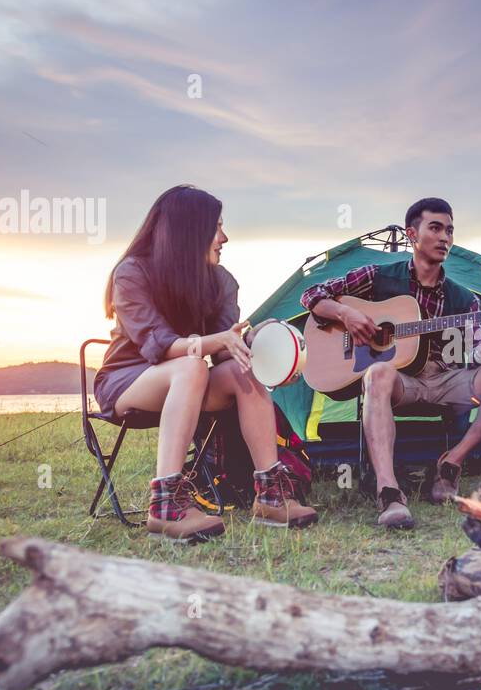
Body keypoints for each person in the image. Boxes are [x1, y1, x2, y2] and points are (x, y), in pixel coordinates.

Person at [94, 185, 318, 541]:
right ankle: (165, 505)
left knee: (242, 368)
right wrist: (215, 342)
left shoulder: (221, 281)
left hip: (189, 383)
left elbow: (227, 352)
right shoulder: (132, 272)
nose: (224, 237)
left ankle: (271, 495)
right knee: (191, 364)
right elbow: (161, 346)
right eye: (216, 227)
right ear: (188, 231)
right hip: (129, 382)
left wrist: (271, 360)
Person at [300, 197, 481, 529]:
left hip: (447, 380)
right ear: (411, 234)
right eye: (435, 228)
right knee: (378, 371)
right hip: (401, 383)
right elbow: (311, 296)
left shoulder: (465, 299)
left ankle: (451, 462)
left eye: (450, 231)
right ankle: (389, 491)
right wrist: (346, 314)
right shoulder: (376, 276)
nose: (445, 238)